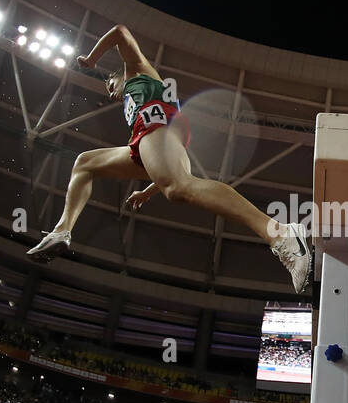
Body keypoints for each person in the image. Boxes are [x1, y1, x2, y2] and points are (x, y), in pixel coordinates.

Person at [25, 24, 311, 292]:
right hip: (146, 142)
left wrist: (91, 58)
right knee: (85, 163)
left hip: (158, 130)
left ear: (119, 74)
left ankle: (280, 234)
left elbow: (121, 33)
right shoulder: (132, 104)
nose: (110, 93)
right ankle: (61, 231)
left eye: (110, 85)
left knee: (179, 187)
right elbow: (165, 161)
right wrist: (149, 190)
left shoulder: (137, 71)